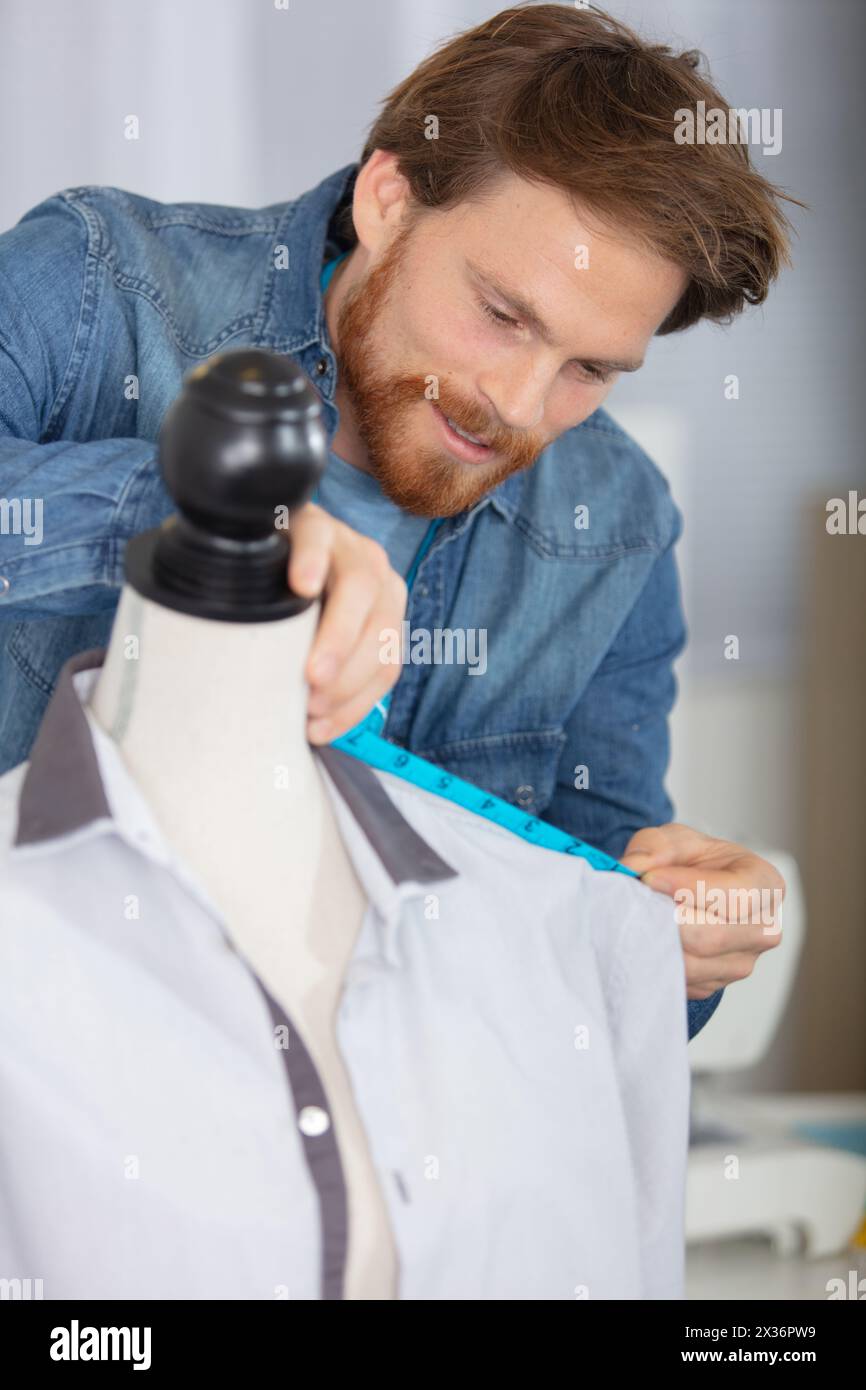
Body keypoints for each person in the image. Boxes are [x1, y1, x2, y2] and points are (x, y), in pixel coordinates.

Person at [0, 5, 798, 1038]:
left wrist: (676, 951)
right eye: (503, 314)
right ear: (387, 196)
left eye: (589, 368)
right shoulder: (98, 284)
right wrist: (206, 533)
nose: (516, 403)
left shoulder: (619, 523)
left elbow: (579, 939)